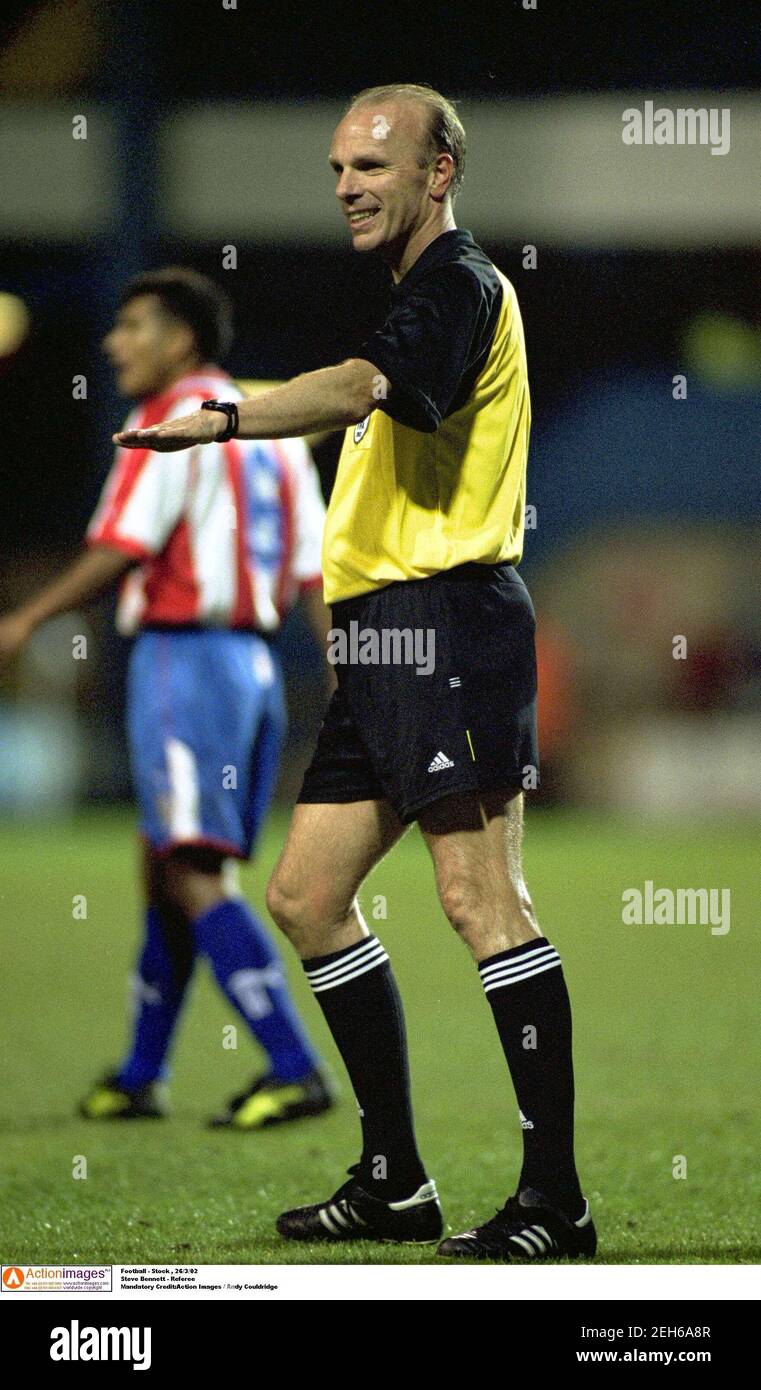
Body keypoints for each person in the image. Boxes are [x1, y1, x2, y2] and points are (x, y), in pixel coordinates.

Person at [112, 87, 596, 1261]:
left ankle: (554, 1202)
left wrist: (222, 420)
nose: (346, 185)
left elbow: (354, 388)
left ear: (438, 174)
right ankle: (392, 1181)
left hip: (448, 626)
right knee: (304, 899)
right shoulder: (413, 298)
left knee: (481, 900)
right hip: (387, 636)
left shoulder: (457, 287)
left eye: (372, 164)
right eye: (336, 167)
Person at [0, 267, 336, 1132]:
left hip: (186, 664)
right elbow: (312, 570)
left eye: (133, 327)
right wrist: (346, 668)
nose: (114, 344)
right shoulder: (278, 430)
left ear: (181, 341)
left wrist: (24, 618)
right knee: (168, 871)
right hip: (254, 670)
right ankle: (143, 1072)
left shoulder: (169, 424)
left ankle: (293, 1065)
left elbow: (121, 544)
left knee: (190, 871)